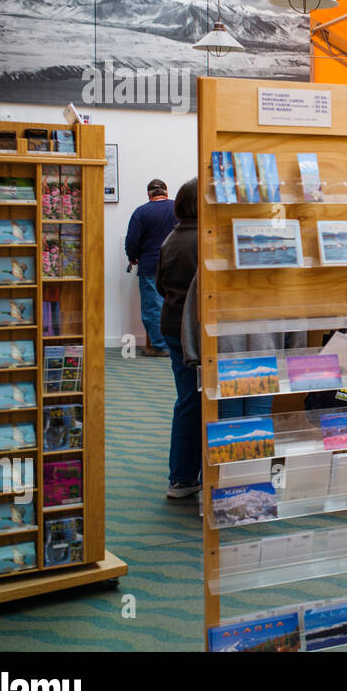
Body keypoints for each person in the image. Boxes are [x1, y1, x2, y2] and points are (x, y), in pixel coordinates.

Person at [154, 178, 201, 498]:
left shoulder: (173, 238)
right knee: (193, 402)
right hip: (194, 333)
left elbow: (160, 285)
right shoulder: (203, 239)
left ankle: (182, 475)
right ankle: (183, 477)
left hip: (172, 327)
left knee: (187, 399)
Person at [125, 179, 178, 356]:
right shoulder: (177, 208)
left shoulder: (141, 212)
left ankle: (160, 346)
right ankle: (179, 344)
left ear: (149, 195)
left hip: (150, 265)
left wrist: (132, 257)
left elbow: (132, 239)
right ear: (166, 192)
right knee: (178, 304)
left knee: (153, 307)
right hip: (177, 263)